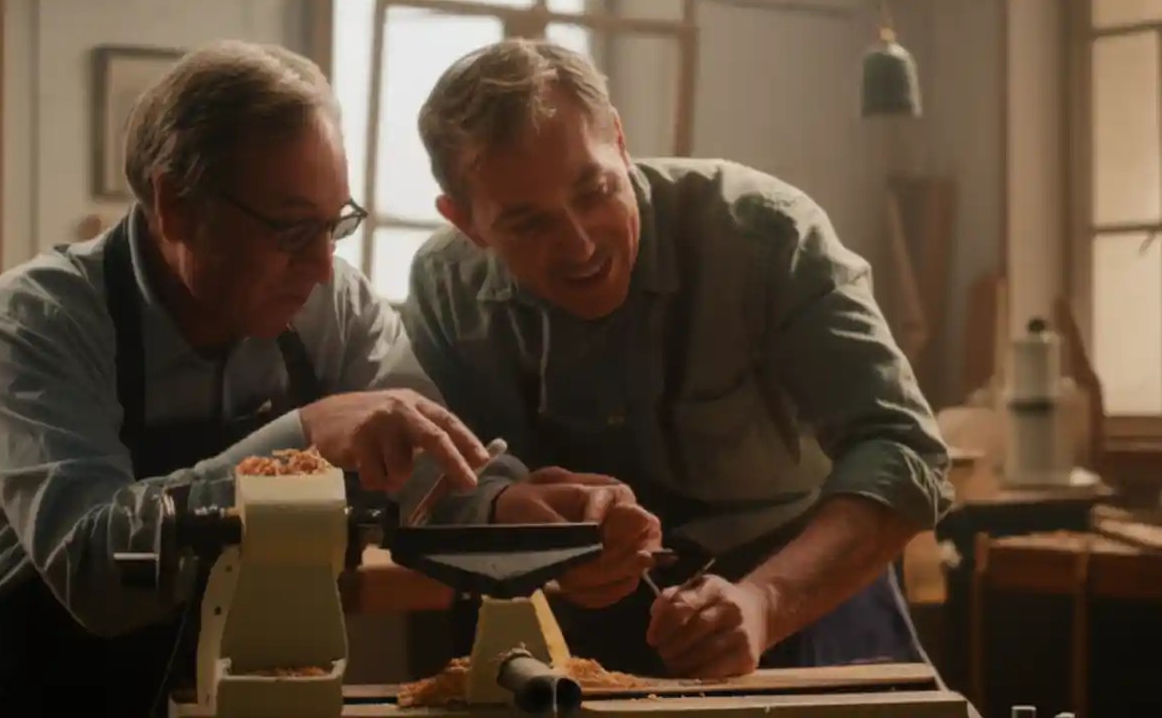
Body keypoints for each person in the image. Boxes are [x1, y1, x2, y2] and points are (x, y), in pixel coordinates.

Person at [0, 41, 536, 717]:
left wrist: (513, 510)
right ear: (175, 205)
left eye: (334, 225)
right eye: (291, 231)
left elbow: (430, 473)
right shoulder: (39, 320)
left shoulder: (332, 306)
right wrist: (300, 440)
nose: (321, 267)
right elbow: (96, 571)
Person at [404, 38, 956, 680]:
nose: (580, 244)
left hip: (809, 601)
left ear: (617, 137)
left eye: (595, 190)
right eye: (529, 224)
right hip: (569, 641)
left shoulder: (765, 233)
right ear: (465, 221)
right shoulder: (444, 287)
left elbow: (905, 450)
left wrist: (764, 601)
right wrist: (519, 523)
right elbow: (435, 488)